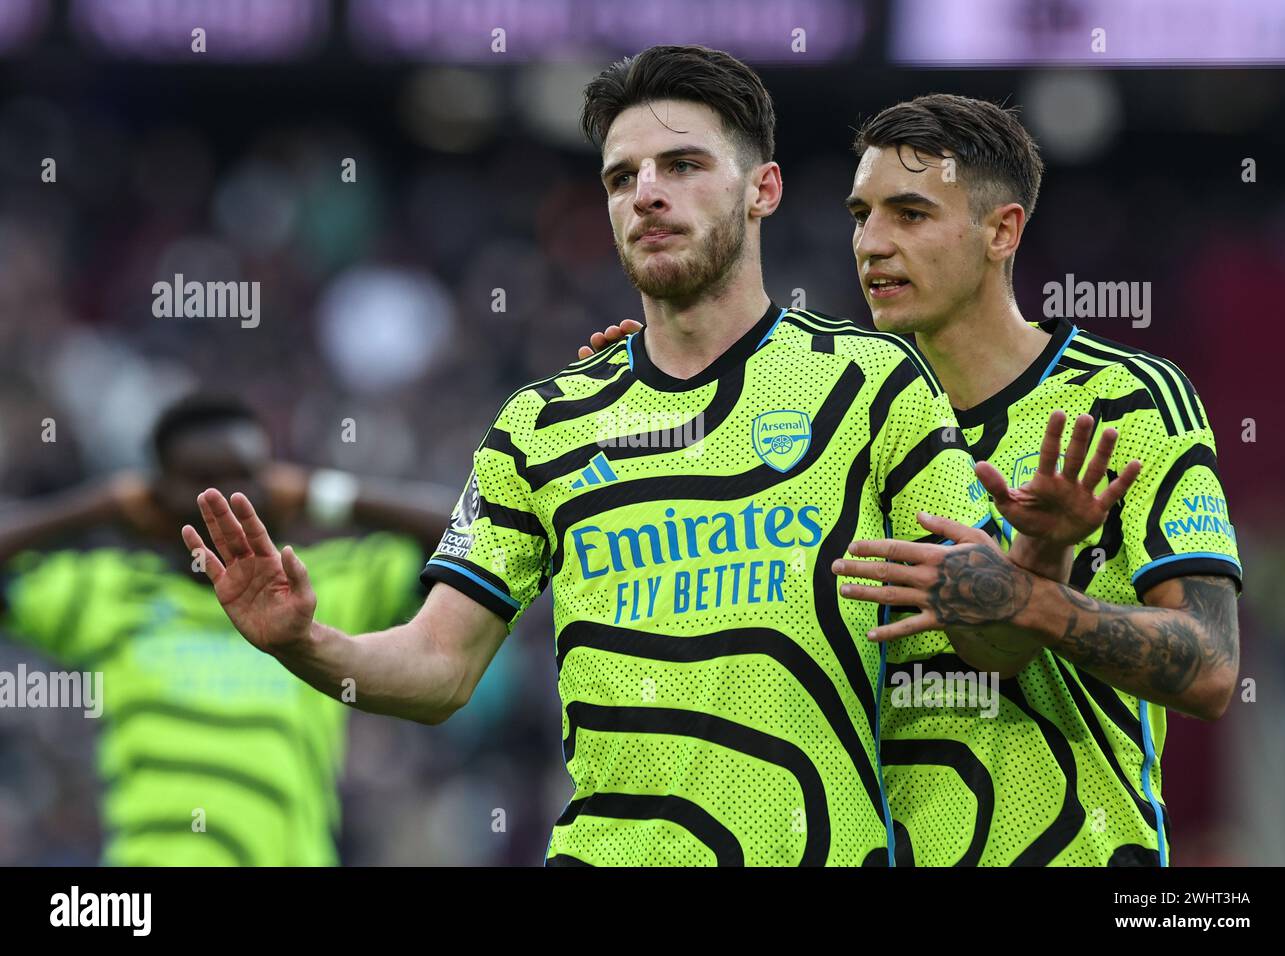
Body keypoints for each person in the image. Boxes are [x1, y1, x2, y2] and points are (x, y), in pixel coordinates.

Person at [182, 46, 997, 866]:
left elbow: (993, 634)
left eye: (683, 165)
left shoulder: (875, 385)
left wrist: (1033, 568)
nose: (647, 194)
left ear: (763, 190)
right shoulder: (542, 424)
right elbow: (440, 665)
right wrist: (305, 643)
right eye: (621, 177)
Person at [593, 94, 1242, 866]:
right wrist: (661, 373)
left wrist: (1036, 600)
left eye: (910, 214)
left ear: (1002, 231)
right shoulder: (823, 406)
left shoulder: (1125, 402)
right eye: (860, 215)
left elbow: (1210, 669)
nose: (871, 244)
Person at [0, 392, 450, 864]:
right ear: (155, 493)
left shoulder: (314, 587)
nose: (226, 498)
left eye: (245, 475)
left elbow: (475, 543)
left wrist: (322, 494)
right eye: (201, 481)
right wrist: (102, 506)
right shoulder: (109, 593)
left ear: (274, 483)